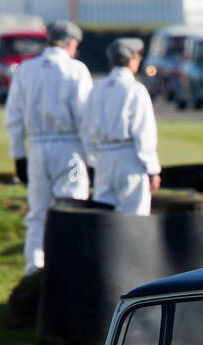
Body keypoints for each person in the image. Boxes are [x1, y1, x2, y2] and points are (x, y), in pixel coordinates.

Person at [3, 21, 93, 275]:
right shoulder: (76, 70)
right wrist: (92, 159)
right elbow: (85, 119)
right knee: (72, 209)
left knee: (38, 213)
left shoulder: (25, 69)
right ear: (71, 43)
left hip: (37, 150)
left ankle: (34, 269)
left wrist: (18, 155)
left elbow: (14, 118)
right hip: (70, 149)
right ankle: (71, 268)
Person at [84, 37, 161, 215]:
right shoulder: (135, 89)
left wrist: (93, 160)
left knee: (105, 218)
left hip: (104, 158)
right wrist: (152, 169)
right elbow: (144, 134)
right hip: (129, 159)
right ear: (131, 59)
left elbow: (87, 129)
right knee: (134, 219)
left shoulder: (98, 88)